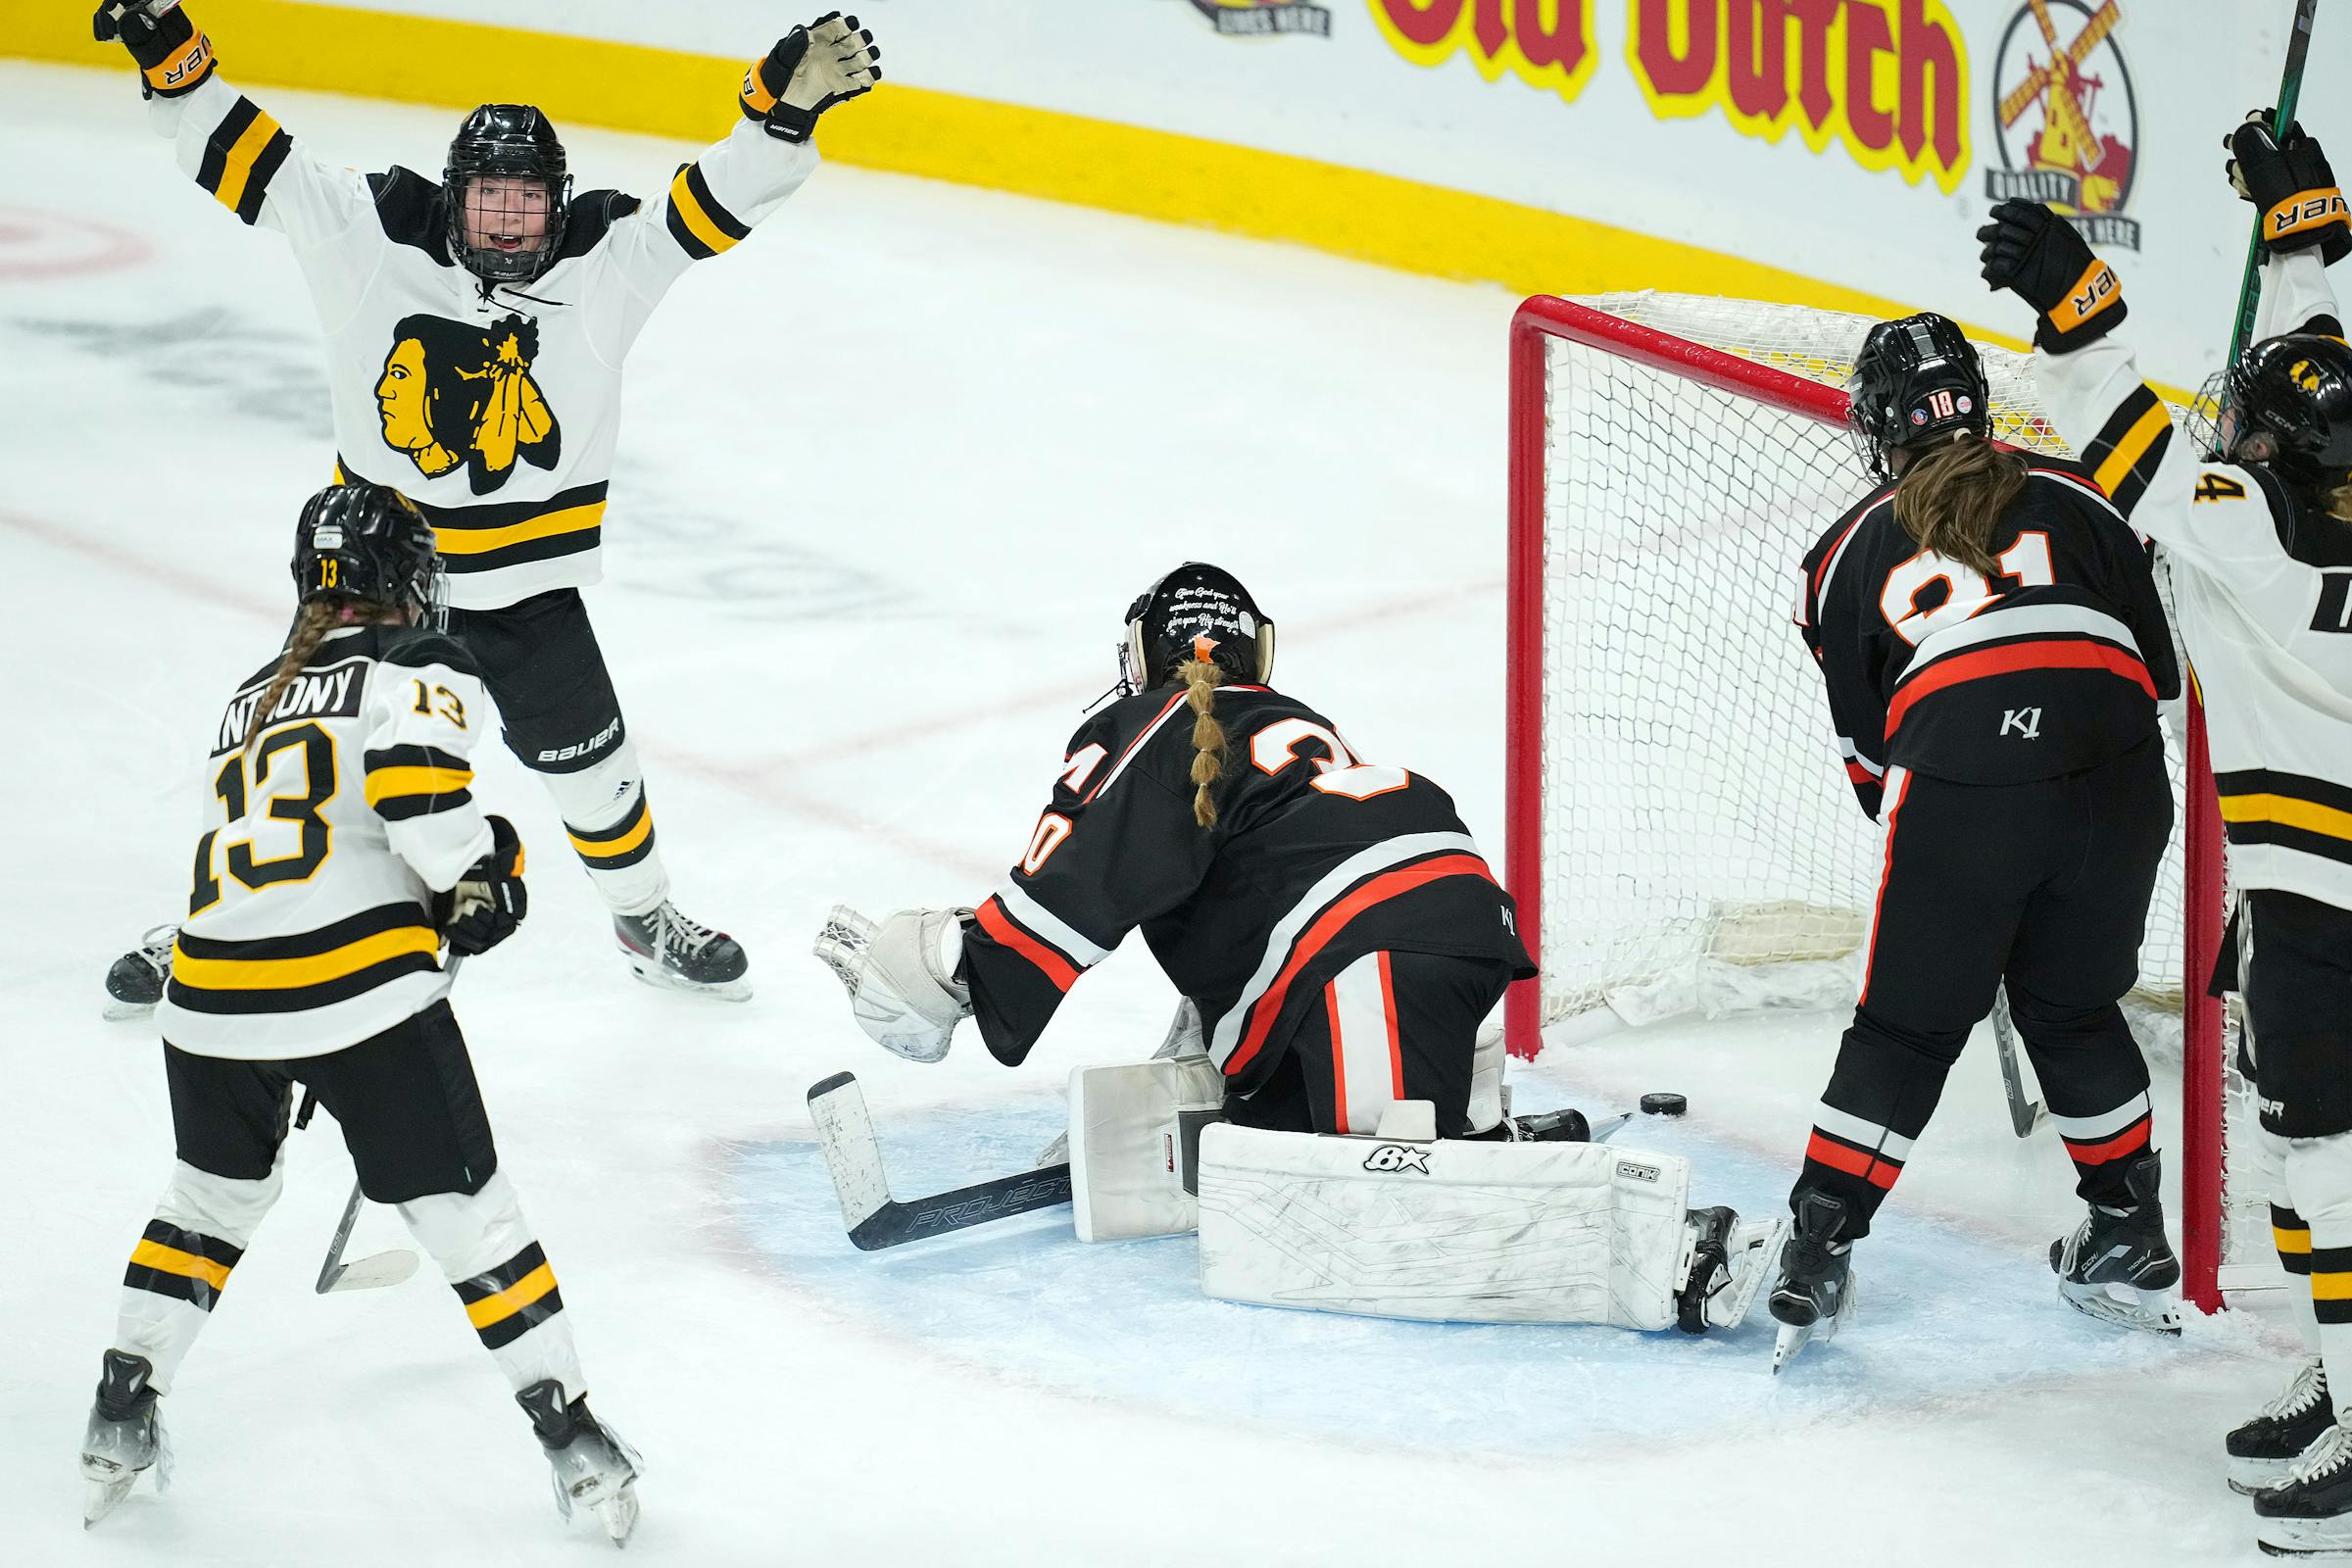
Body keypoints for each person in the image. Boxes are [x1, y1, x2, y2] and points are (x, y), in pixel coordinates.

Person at [91, 0, 884, 1006]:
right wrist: (173, 54)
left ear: (557, 204)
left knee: (599, 775)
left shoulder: (606, 260)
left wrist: (779, 119)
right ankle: (212, 926)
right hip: (377, 587)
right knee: (302, 767)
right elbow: (263, 162)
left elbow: (707, 204)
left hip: (529, 594)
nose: (508, 230)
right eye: (487, 205)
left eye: (527, 207)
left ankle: (643, 922)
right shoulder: (371, 234)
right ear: (452, 198)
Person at [79, 482, 639, 1544]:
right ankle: (575, 1439)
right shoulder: (414, 667)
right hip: (354, 993)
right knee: (469, 1216)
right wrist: (479, 879)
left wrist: (460, 883)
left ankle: (121, 1406)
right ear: (403, 578)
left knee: (208, 1201)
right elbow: (421, 804)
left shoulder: (249, 695)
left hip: (208, 1003)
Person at [1982, 112, 2352, 1556]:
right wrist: (2309, 219)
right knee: (2302, 1157)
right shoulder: (2304, 506)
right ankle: (2342, 1376)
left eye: (2250, 433)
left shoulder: (2245, 539)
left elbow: (2127, 434)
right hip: (2306, 898)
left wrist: (2081, 300)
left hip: (2320, 912)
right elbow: (2331, 388)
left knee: (2324, 1168)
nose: (2237, 440)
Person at [1767, 311, 2183, 1372]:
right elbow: (2165, 676)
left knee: (1905, 1031)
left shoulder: (1848, 549)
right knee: (2075, 1006)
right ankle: (2129, 1234)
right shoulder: (2086, 494)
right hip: (2118, 776)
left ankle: (1817, 1246)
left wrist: (1978, 879)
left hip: (1964, 785)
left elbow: (1876, 762)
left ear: (1878, 426)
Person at [813, 562, 1536, 1140]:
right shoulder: (1293, 726)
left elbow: (1082, 869)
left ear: (1139, 656)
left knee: (1379, 1184)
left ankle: (1424, 1127)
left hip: (1366, 961)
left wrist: (956, 970)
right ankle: (1448, 1091)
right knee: (1278, 1123)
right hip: (1459, 932)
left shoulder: (1163, 722)